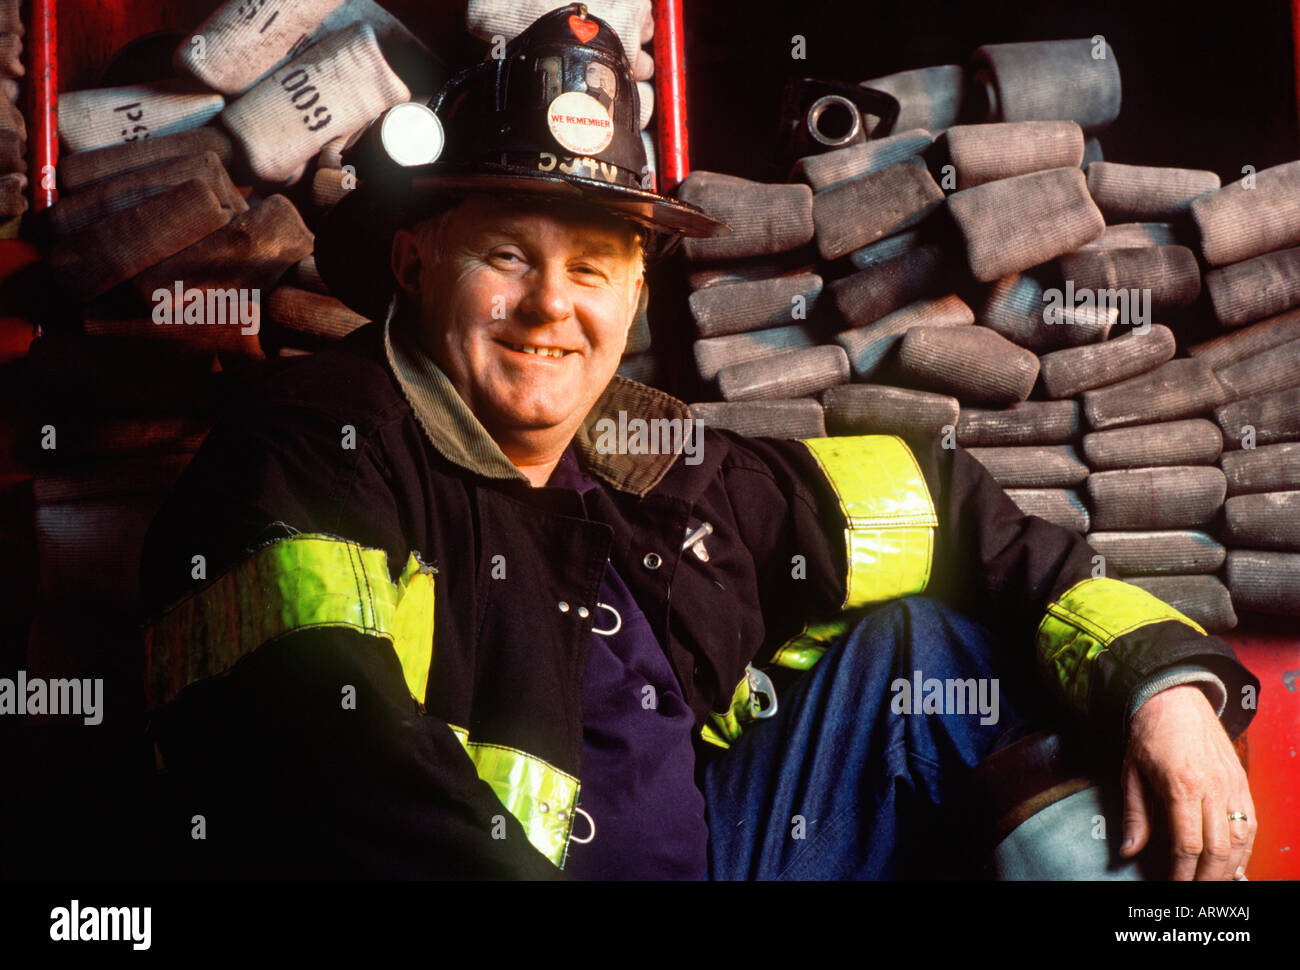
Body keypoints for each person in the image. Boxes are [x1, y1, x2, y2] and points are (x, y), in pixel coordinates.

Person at [139, 4, 1259, 881]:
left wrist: (1165, 688)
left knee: (927, 652)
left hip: (729, 858)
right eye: (507, 257)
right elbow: (328, 777)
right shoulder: (313, 450)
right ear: (415, 263)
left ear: (632, 295)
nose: (550, 309)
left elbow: (943, 503)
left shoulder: (639, 456)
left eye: (591, 268)